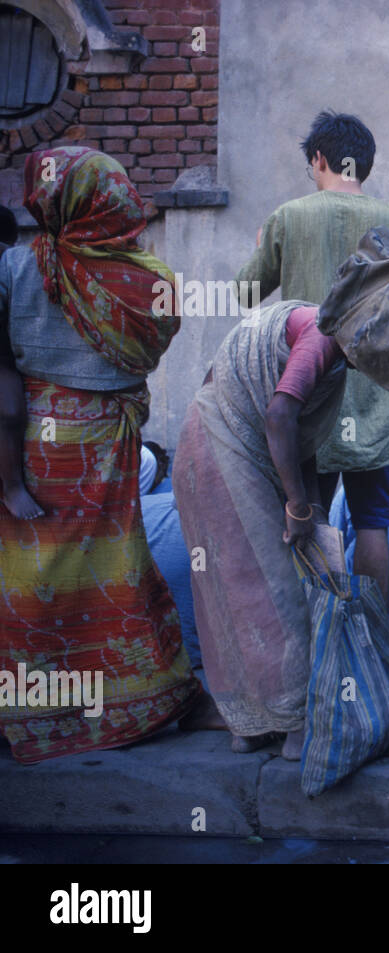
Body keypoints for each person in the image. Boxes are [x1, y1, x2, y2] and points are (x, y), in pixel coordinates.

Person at [0, 147, 200, 763]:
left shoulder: (14, 267)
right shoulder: (154, 281)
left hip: (34, 446)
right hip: (108, 447)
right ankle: (129, 703)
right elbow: (152, 344)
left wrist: (9, 478)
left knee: (31, 583)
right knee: (114, 571)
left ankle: (33, 714)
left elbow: (5, 377)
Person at [236, 110, 389, 634]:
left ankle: (320, 647)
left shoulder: (289, 216)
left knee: (308, 521)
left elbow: (245, 294)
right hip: (378, 401)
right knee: (374, 524)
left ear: (319, 159)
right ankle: (372, 644)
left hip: (308, 398)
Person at [173, 300, 348, 758]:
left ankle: (251, 727)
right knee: (269, 590)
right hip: (218, 445)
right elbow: (279, 417)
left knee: (236, 592)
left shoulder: (324, 337)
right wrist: (297, 506)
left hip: (217, 442)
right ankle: (289, 724)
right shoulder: (322, 335)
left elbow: (300, 435)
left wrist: (310, 508)